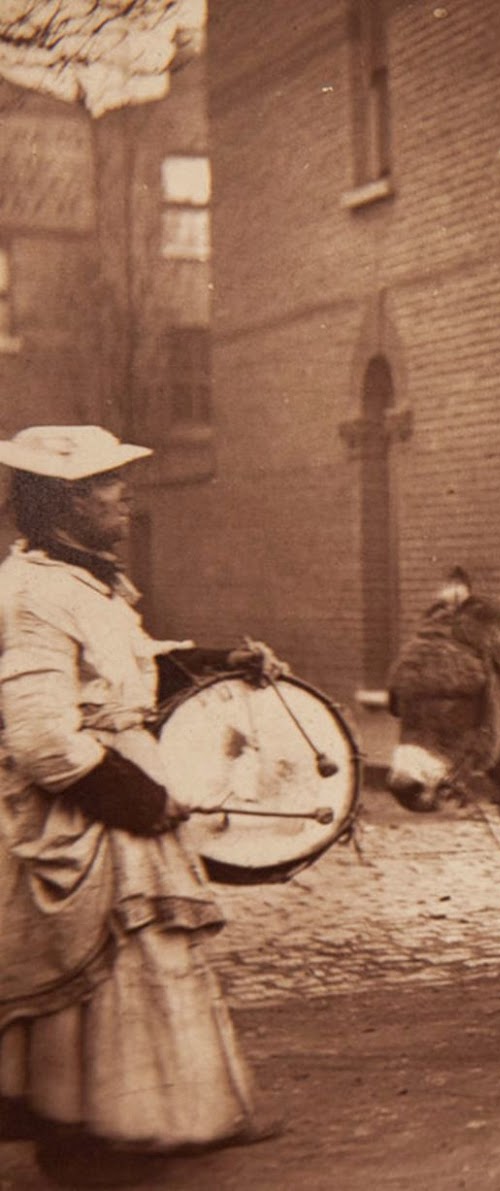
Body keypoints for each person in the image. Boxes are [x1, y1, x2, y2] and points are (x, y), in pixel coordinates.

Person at [0, 426, 282, 1186]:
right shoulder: (32, 594)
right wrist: (134, 798)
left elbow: (124, 669)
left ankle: (155, 1117)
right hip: (83, 806)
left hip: (120, 790)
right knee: (101, 965)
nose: (126, 496)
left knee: (146, 956)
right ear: (67, 502)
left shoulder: (84, 581)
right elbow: (40, 736)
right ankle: (85, 1138)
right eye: (108, 484)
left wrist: (217, 661)